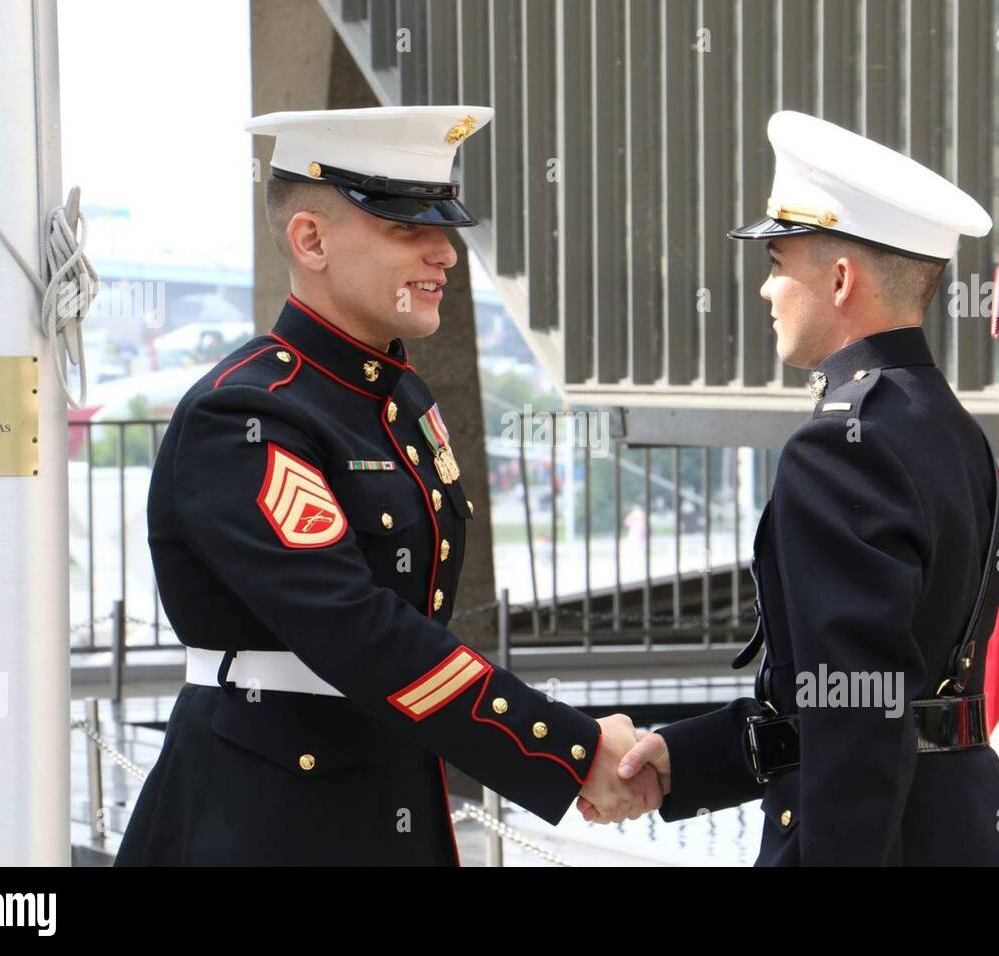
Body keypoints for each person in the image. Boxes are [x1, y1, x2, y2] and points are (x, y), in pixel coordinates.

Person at [115, 106, 656, 866]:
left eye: (444, 226)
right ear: (311, 239)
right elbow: (354, 626)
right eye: (407, 229)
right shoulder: (244, 413)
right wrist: (570, 750)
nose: (444, 253)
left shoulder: (401, 401)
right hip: (268, 818)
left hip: (392, 786)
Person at [605, 111, 999, 866]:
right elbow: (875, 698)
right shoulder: (951, 428)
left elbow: (862, 718)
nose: (768, 290)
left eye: (778, 262)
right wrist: (685, 760)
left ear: (840, 279)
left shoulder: (841, 449)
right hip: (965, 821)